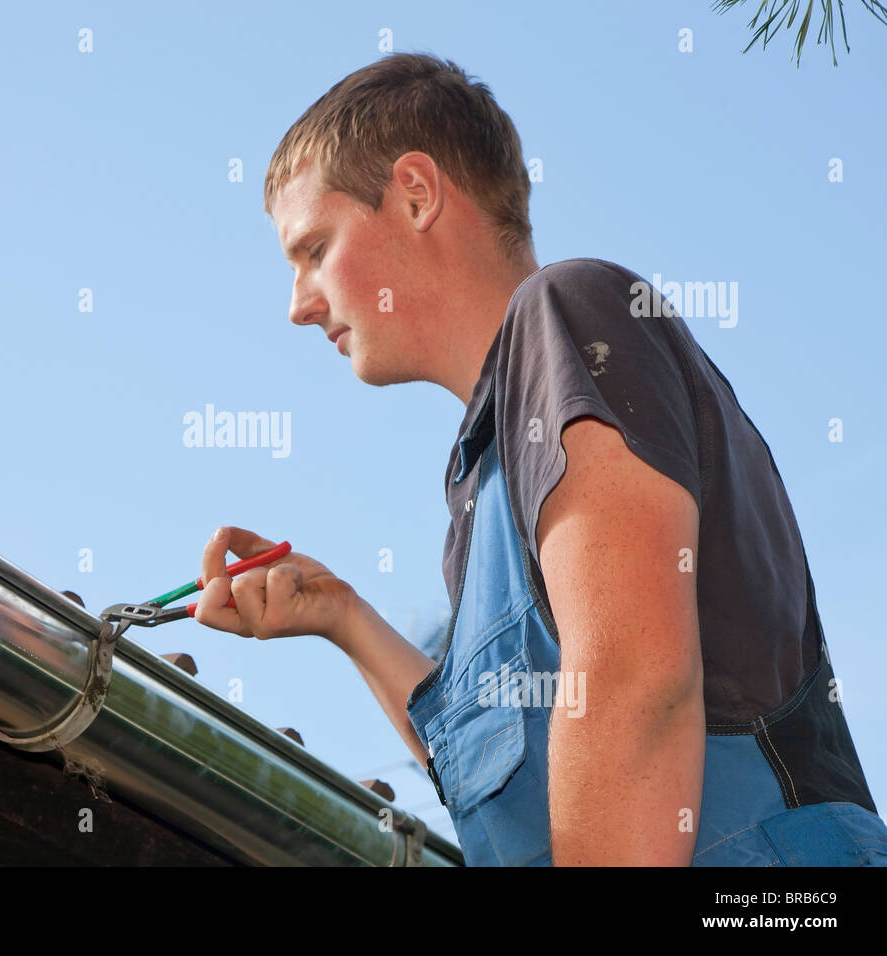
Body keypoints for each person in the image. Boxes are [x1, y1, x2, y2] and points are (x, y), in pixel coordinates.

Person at [191, 52, 886, 866]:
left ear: (415, 193)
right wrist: (344, 618)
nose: (299, 305)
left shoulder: (572, 310)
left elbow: (633, 691)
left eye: (314, 248)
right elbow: (517, 795)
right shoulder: (483, 489)